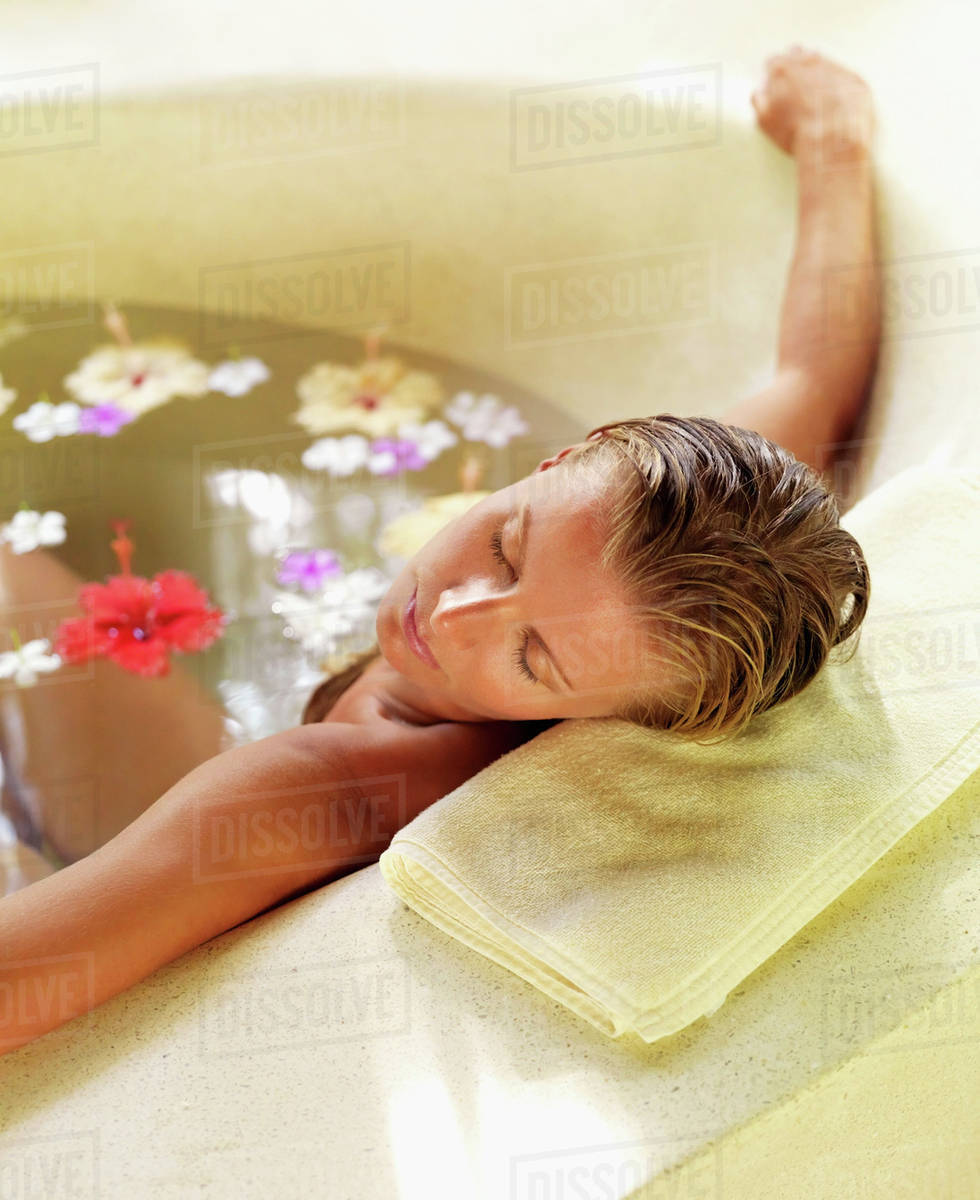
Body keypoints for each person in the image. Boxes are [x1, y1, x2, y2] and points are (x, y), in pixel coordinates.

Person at [0, 46, 880, 1055]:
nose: (452, 617)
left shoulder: (323, 787)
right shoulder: (667, 581)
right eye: (505, 547)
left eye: (530, 658)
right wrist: (833, 147)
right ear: (566, 457)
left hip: (123, 855)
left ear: (598, 721)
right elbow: (810, 380)